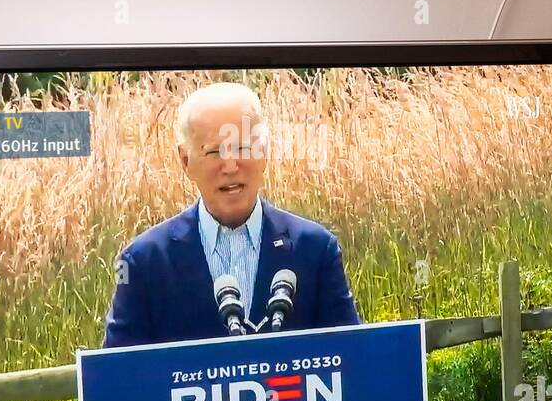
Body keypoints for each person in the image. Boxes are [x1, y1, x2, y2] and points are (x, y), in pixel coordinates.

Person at [103, 81, 360, 348]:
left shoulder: (316, 250)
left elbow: (352, 358)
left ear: (264, 152)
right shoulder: (144, 262)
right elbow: (119, 379)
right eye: (214, 152)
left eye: (242, 148)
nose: (230, 165)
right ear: (185, 160)